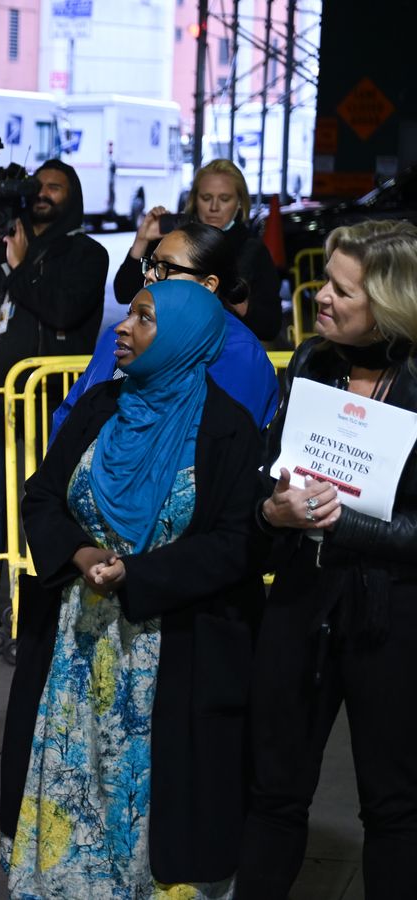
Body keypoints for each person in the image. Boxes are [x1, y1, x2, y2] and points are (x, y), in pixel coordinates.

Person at [0, 279, 267, 896]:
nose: (123, 328)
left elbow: (236, 544)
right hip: (75, 650)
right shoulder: (99, 409)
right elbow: (42, 495)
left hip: (170, 655)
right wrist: (82, 550)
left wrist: (137, 576)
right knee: (78, 792)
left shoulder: (228, 431)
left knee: (154, 811)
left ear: (180, 338)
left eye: (144, 320)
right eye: (129, 315)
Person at [237, 221, 417, 899]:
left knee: (394, 808)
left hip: (391, 615)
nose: (320, 297)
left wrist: (352, 525)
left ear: (390, 302)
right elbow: (269, 470)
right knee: (275, 792)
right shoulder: (312, 361)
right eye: (324, 281)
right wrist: (270, 509)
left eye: (340, 290)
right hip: (301, 600)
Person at [0, 158, 110, 633]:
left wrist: (20, 267)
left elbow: (63, 310)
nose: (44, 193)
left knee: (47, 500)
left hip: (48, 403)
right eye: (38, 186)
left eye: (56, 188)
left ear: (74, 197)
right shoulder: (5, 242)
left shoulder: (86, 253)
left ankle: (43, 602)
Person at [54, 221, 281, 431]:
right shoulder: (117, 334)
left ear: (208, 284)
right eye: (151, 264)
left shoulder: (238, 352)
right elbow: (68, 416)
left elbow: (223, 448)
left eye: (165, 267)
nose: (151, 274)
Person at [120, 159, 282, 342]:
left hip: (225, 353)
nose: (214, 207)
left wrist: (235, 297)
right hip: (168, 348)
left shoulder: (252, 250)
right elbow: (124, 293)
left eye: (224, 199)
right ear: (194, 200)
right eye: (206, 198)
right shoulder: (171, 242)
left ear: (239, 202)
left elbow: (271, 326)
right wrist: (142, 240)